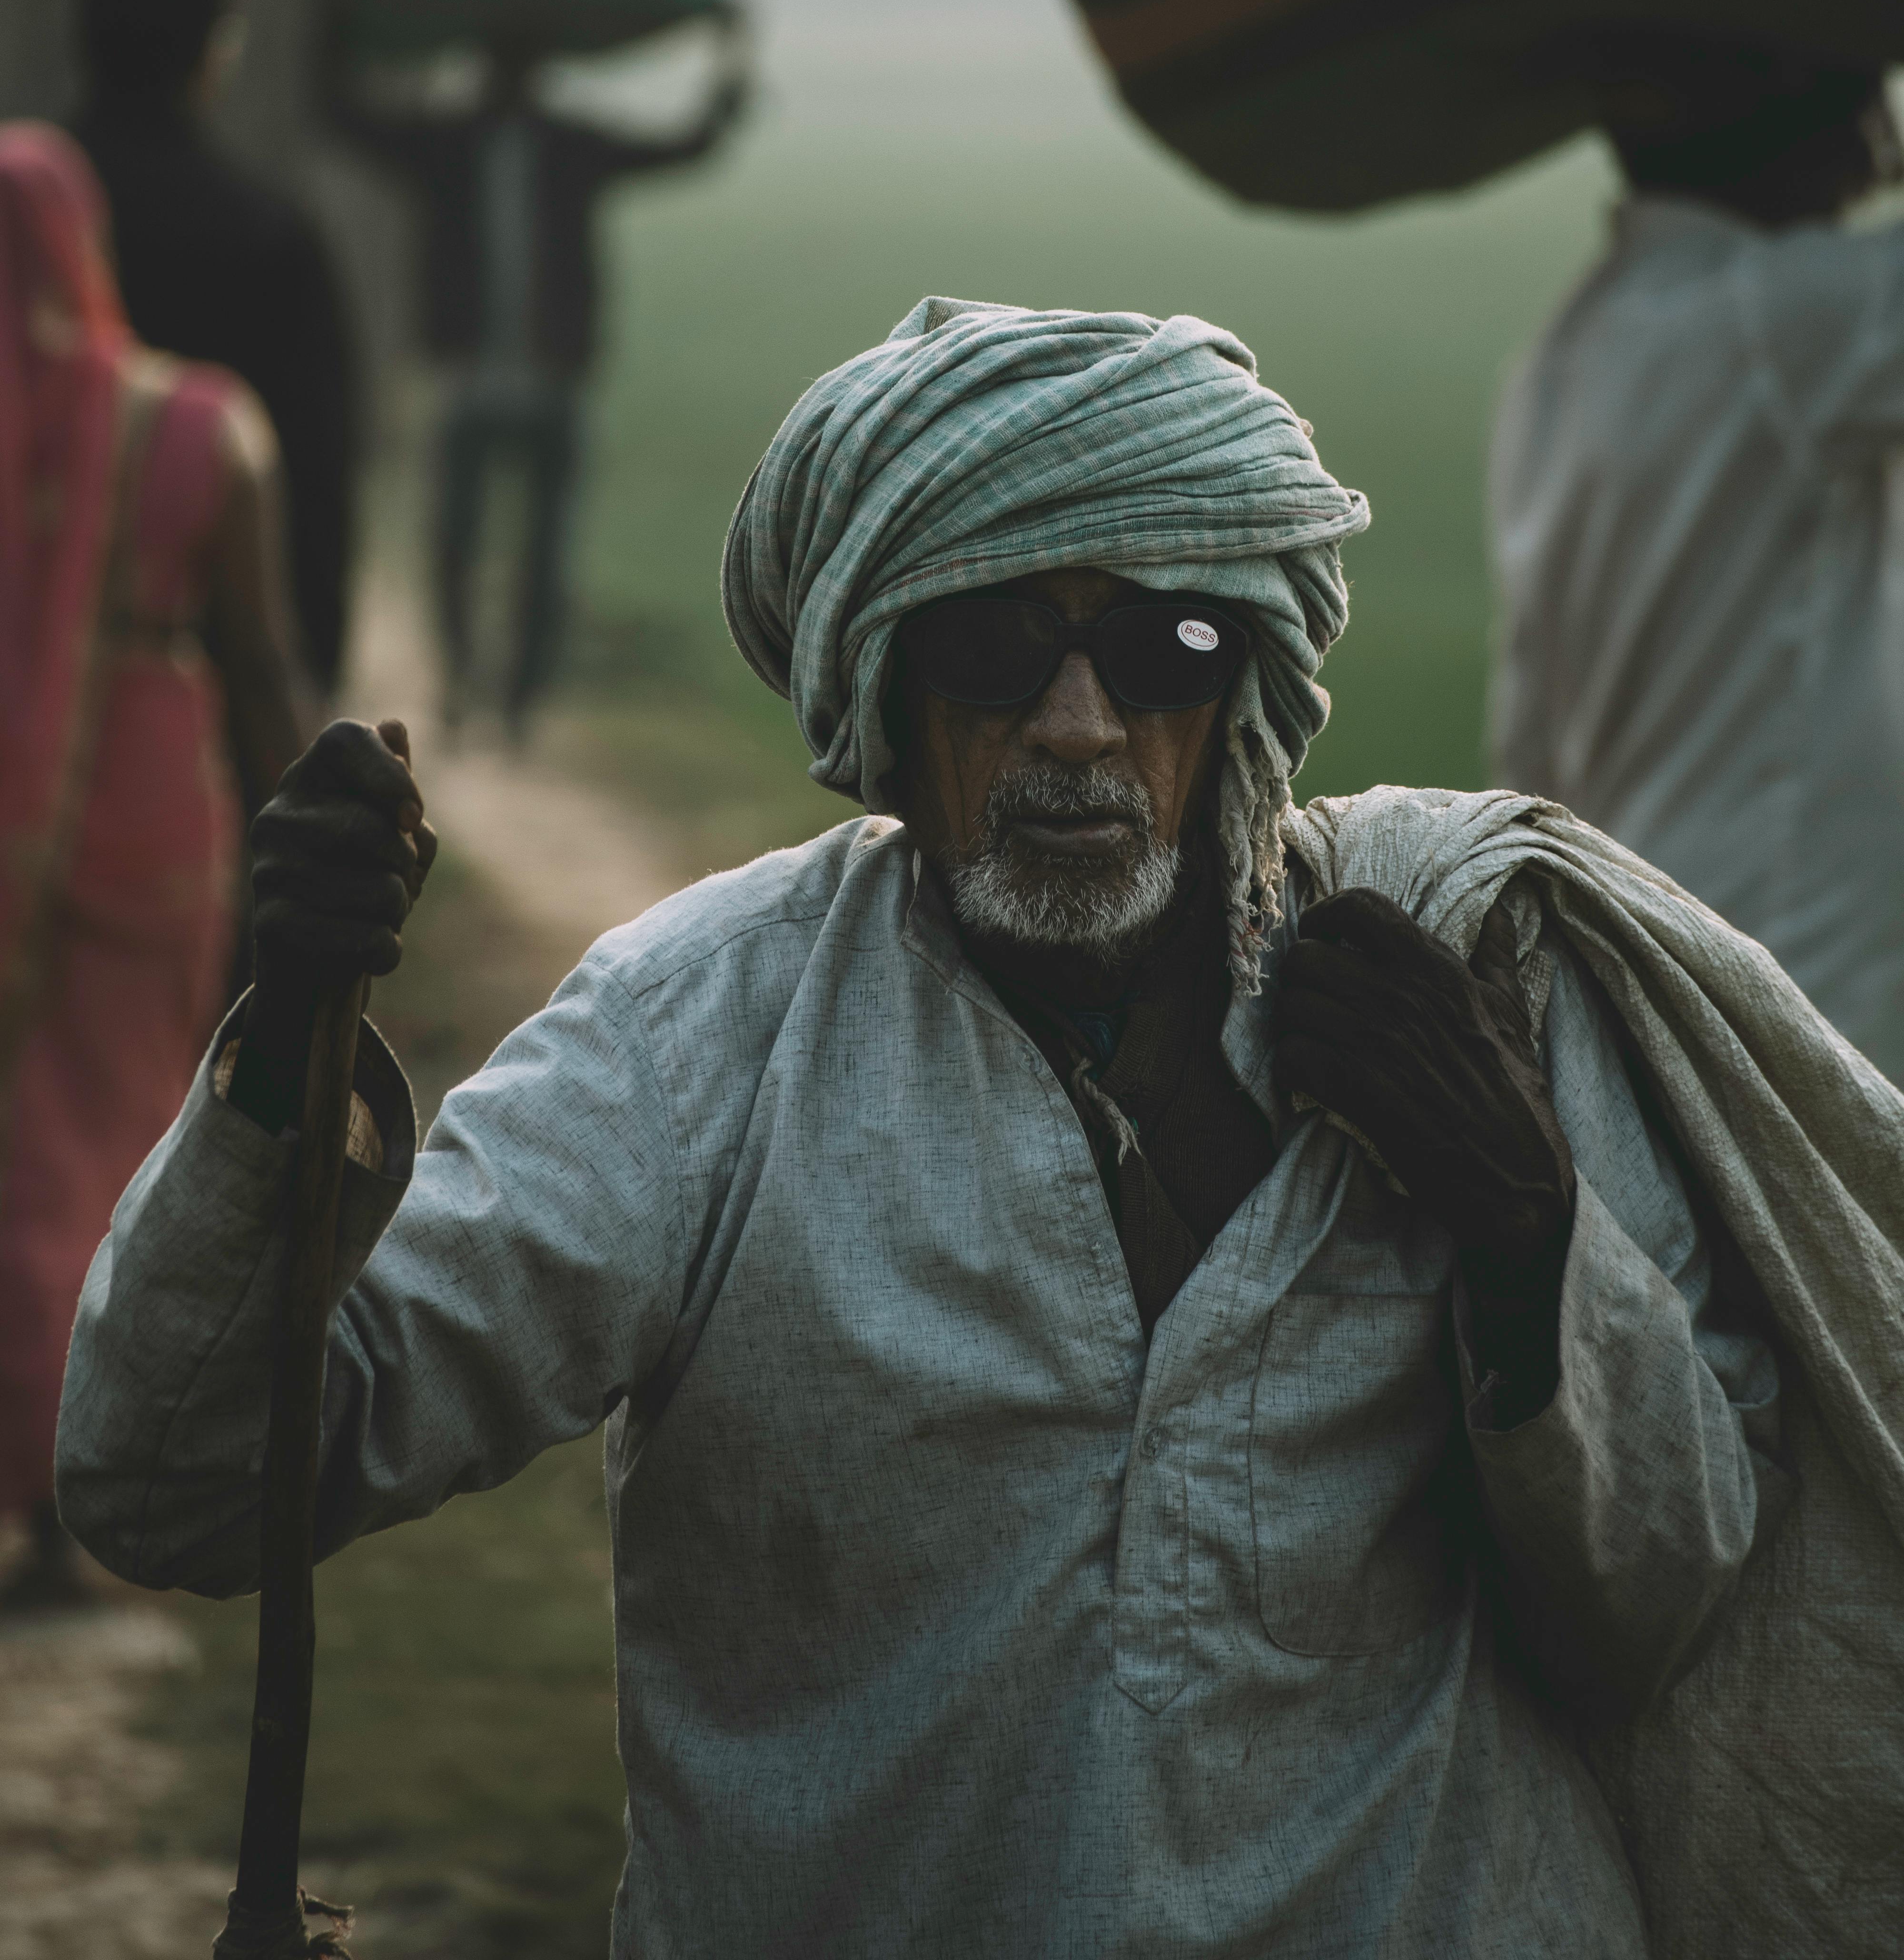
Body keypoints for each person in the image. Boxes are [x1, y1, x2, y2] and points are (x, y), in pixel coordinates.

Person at [55, 301, 1904, 1954]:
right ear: (879, 683)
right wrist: (285, 1063)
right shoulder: (703, 1034)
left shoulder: (1470, 981)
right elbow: (184, 1484)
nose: (1082, 727)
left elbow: (1654, 1610)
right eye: (998, 647)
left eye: (1166, 646)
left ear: (1244, 681)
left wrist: (1523, 1224)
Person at [0, 126, 307, 1605]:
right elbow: (259, 669)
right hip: (140, 814)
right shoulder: (195, 424)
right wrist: (320, 857)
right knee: (108, 1140)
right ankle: (76, 1502)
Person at [1488, 65, 1904, 1082]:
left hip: (1625, 938)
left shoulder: (1565, 352)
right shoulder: (1769, 319)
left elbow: (1524, 732)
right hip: (1786, 965)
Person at [322, 40, 748, 738]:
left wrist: (724, 88)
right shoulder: (449, 145)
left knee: (540, 559)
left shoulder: (557, 145)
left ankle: (515, 701)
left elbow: (679, 146)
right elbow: (344, 117)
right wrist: (334, 27)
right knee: (459, 545)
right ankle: (463, 682)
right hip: (470, 378)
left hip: (552, 381)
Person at [69, 0, 360, 696]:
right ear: (212, 56)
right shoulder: (270, 238)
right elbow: (315, 467)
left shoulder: (23, 222)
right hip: (202, 666)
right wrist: (314, 664)